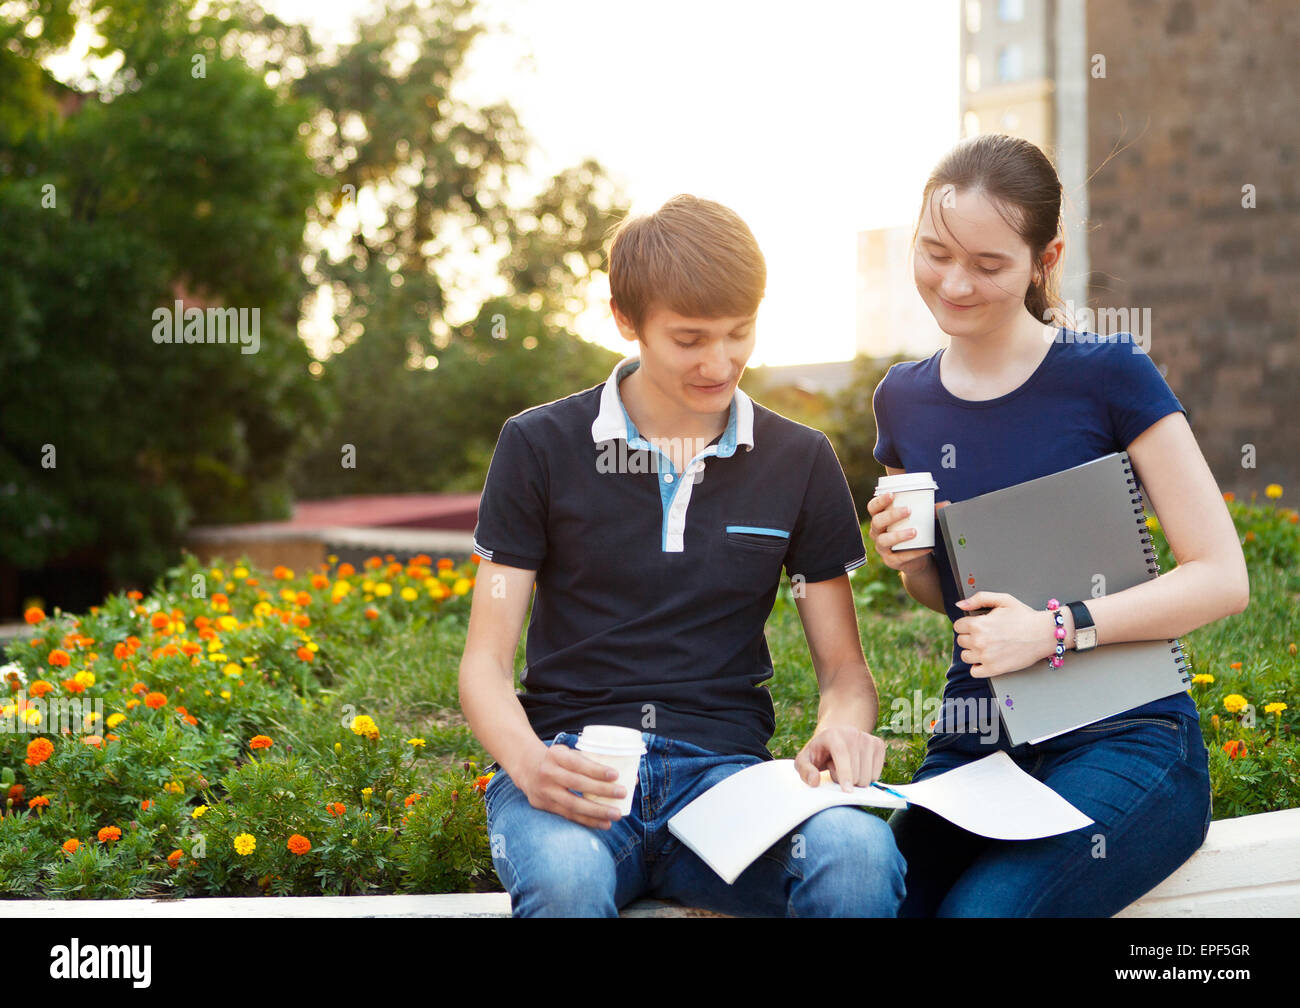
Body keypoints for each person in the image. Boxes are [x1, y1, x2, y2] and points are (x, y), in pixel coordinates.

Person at [459, 194, 906, 917]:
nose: (720, 362)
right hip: (574, 769)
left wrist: (836, 734)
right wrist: (530, 764)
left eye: (740, 333)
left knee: (858, 855)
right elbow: (484, 664)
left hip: (727, 784)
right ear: (625, 321)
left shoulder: (800, 460)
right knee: (568, 884)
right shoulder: (538, 446)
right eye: (690, 338)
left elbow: (845, 673)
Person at [868, 133, 1248, 917]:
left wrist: (1057, 629)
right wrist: (907, 562)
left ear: (1047, 259)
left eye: (989, 263)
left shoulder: (1107, 373)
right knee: (874, 900)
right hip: (979, 739)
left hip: (1126, 736)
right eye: (935, 253)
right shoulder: (901, 399)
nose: (954, 283)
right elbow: (955, 602)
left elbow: (1222, 576)